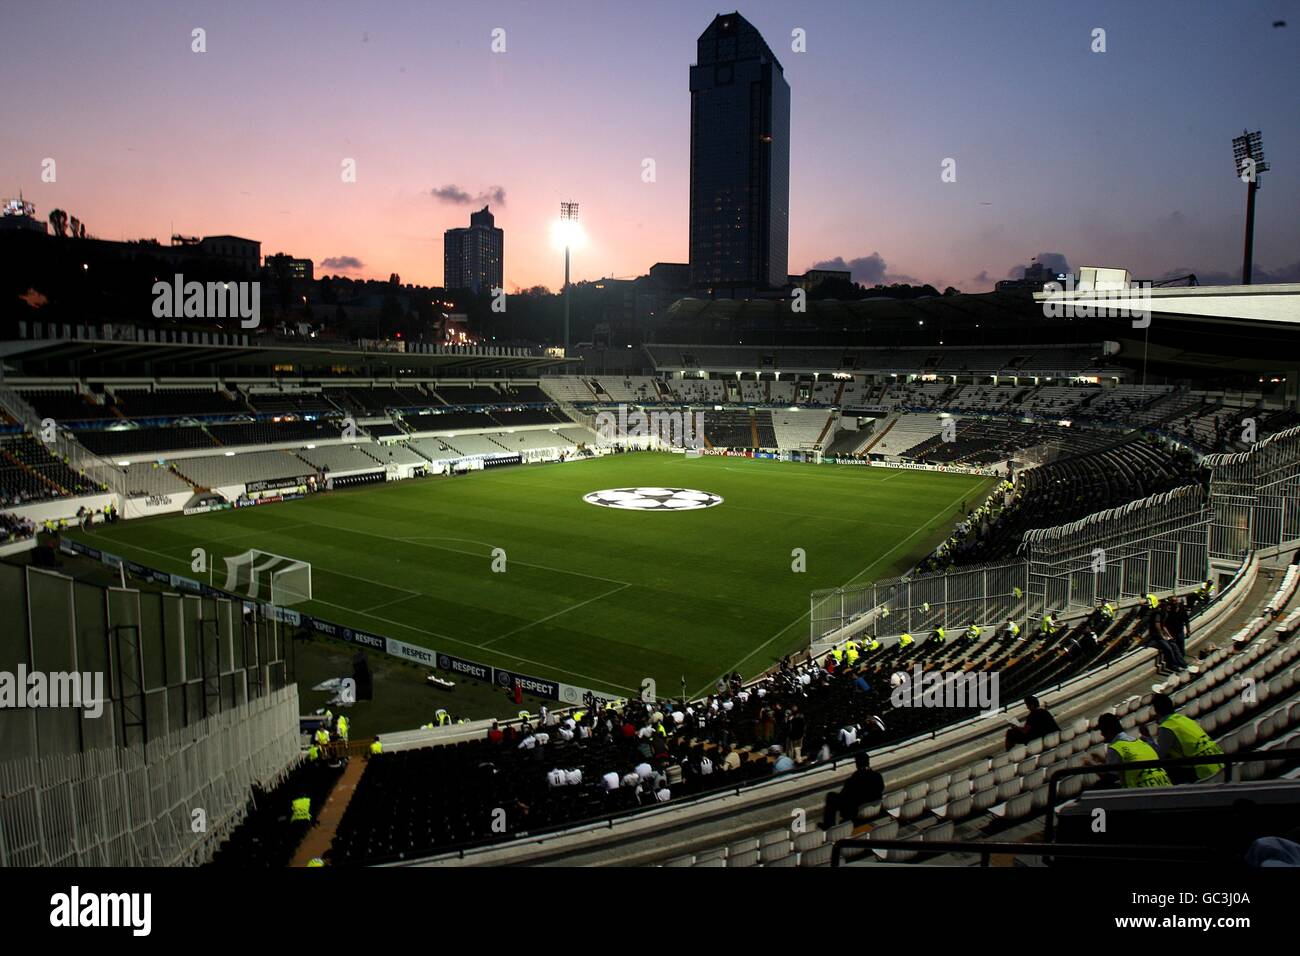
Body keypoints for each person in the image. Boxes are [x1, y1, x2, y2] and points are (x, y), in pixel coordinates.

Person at [1147, 693, 1224, 783]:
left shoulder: (1167, 727)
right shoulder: (1185, 719)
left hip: (1203, 771)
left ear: (1156, 711)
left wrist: (1148, 738)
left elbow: (1159, 755)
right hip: (1220, 763)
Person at [1097, 713, 1171, 789]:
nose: (1101, 734)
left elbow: (1111, 778)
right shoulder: (1140, 742)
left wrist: (1096, 769)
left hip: (1143, 792)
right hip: (1165, 786)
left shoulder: (1115, 748)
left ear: (1108, 731)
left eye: (1102, 731)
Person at [820, 753, 885, 829]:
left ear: (857, 764)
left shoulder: (853, 780)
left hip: (856, 807)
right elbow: (881, 788)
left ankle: (828, 825)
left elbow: (844, 795)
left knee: (831, 796)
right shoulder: (877, 776)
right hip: (873, 803)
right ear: (868, 762)